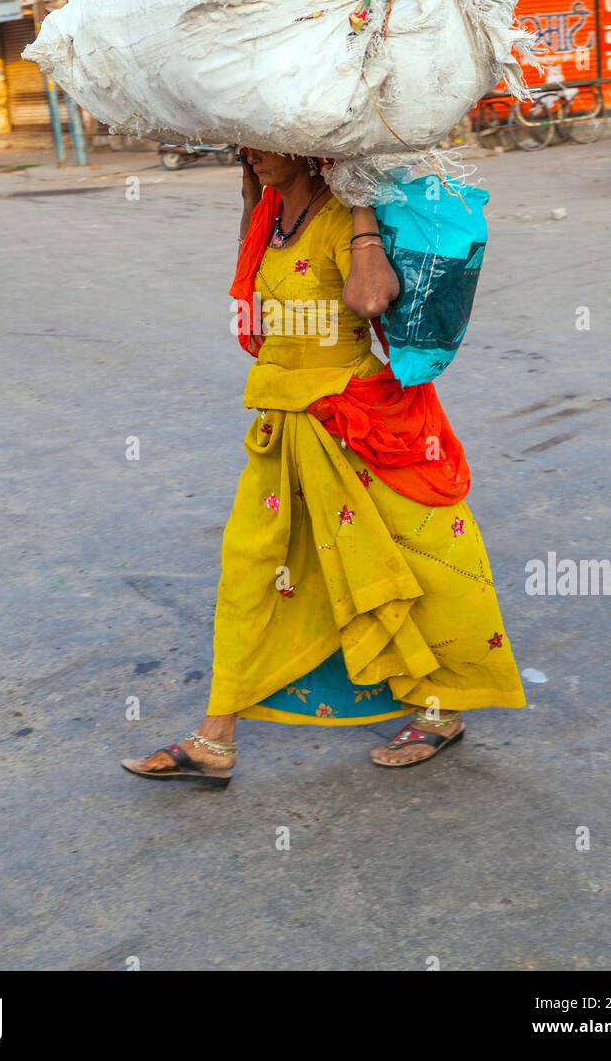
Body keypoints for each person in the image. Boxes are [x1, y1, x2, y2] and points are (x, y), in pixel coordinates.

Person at [122, 149, 525, 787]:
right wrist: (249, 183)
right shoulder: (271, 217)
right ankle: (215, 739)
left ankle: (442, 708)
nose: (254, 151)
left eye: (266, 140)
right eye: (246, 141)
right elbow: (249, 299)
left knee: (418, 562)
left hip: (356, 423)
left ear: (309, 147)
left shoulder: (341, 214)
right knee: (251, 567)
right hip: (284, 425)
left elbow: (370, 301)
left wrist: (360, 193)